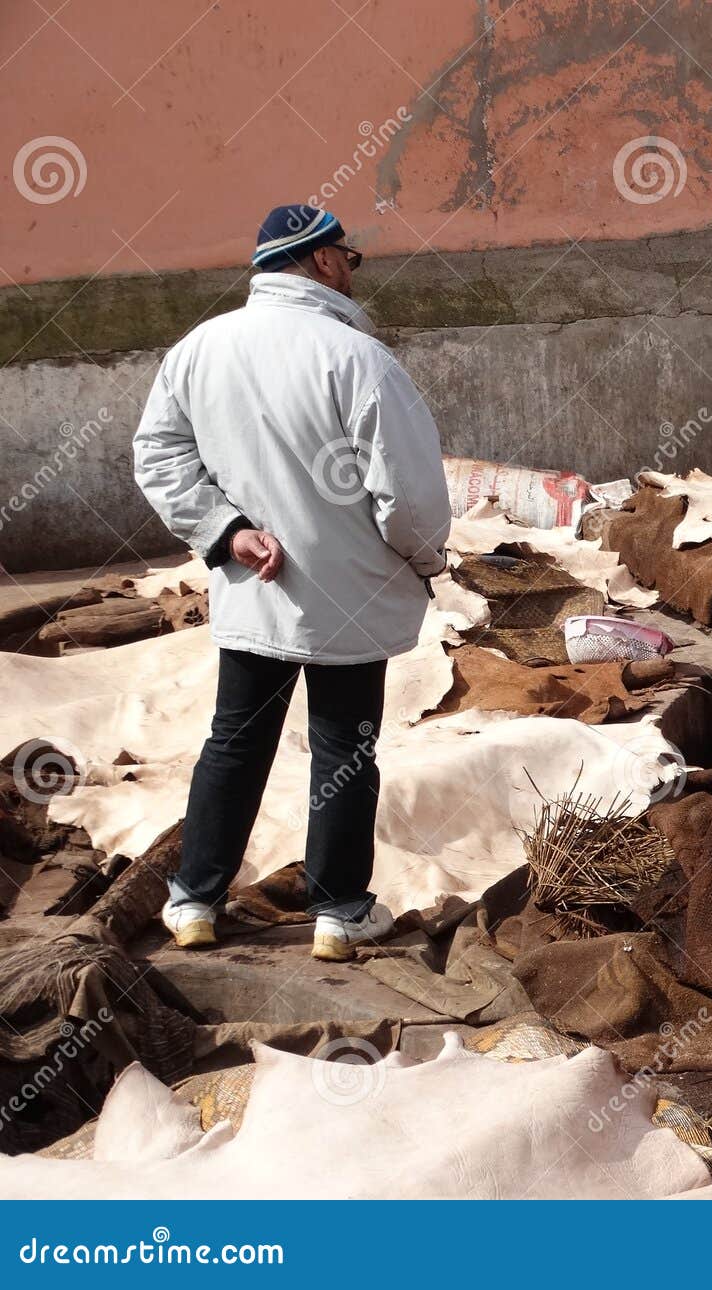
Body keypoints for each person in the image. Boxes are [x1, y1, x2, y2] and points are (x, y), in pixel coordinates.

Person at [133, 204, 452, 959]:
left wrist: (226, 532)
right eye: (348, 257)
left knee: (234, 742)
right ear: (321, 260)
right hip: (353, 594)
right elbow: (408, 496)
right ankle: (338, 913)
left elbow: (159, 456)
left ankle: (194, 901)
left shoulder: (199, 349)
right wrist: (424, 558)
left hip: (253, 587)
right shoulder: (360, 359)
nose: (351, 270)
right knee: (345, 751)